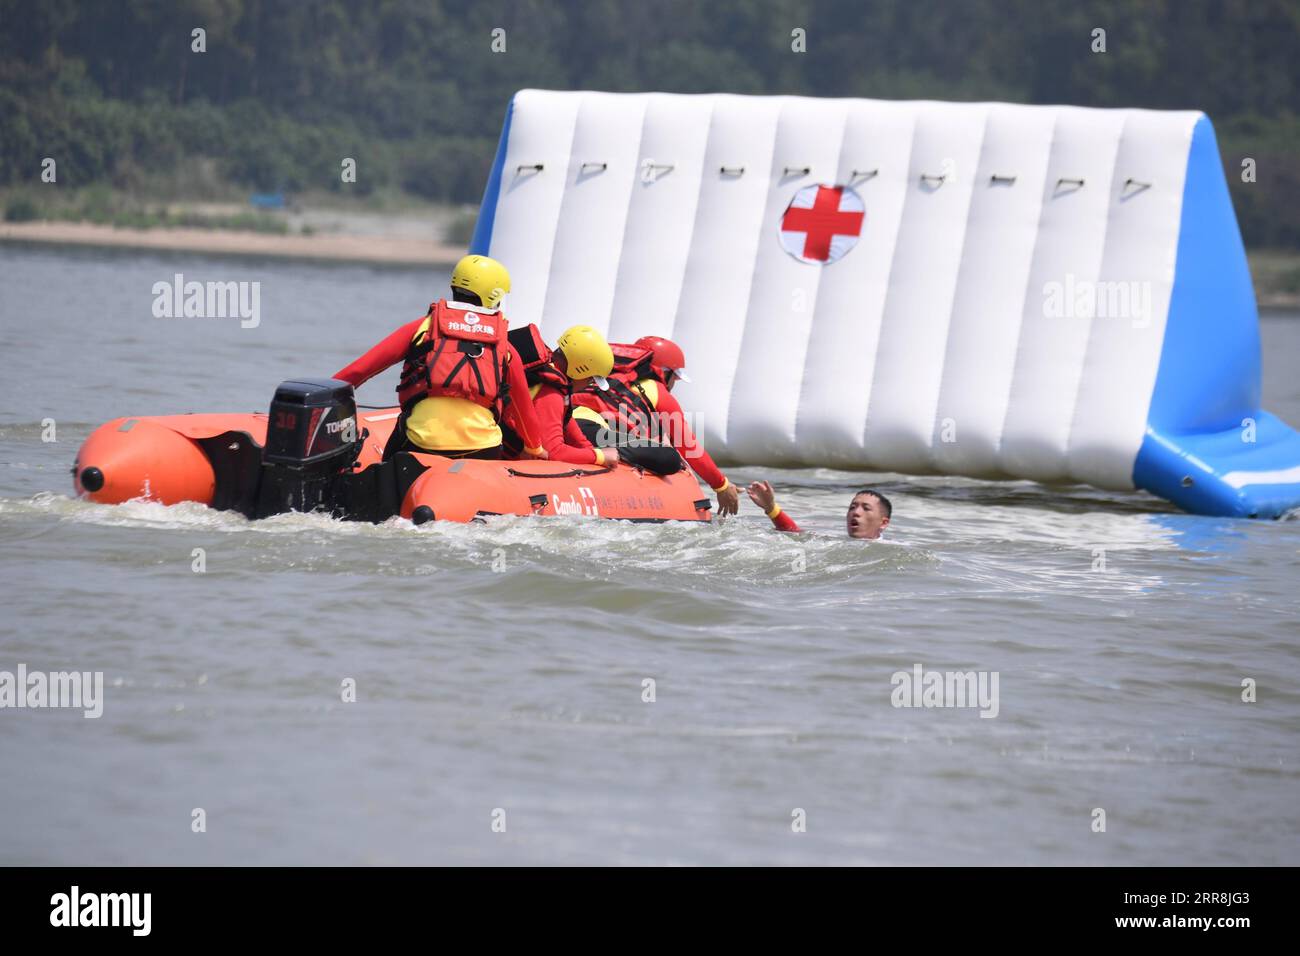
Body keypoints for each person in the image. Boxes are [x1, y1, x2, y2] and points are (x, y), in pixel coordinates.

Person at [333, 255, 544, 461]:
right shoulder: (504, 344)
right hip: (483, 449)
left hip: (422, 444)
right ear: (495, 295)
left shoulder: (422, 327)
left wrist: (325, 395)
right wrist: (534, 449)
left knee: (387, 468)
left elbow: (361, 370)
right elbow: (523, 409)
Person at [573, 335, 741, 515]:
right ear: (665, 372)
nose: (672, 385)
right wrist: (721, 486)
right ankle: (612, 455)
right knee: (669, 457)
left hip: (566, 425)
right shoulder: (655, 389)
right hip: (590, 431)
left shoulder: (599, 377)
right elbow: (688, 445)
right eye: (674, 379)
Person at [529, 325, 623, 468]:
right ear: (579, 370)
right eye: (591, 379)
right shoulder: (551, 393)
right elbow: (553, 452)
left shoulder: (554, 380)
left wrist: (596, 453)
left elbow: (575, 435)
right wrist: (599, 456)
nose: (588, 384)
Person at [745, 481, 892, 538]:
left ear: (884, 523)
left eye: (866, 508)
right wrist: (771, 508)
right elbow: (796, 535)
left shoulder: (890, 553)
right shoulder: (835, 542)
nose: (856, 512)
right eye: (852, 507)